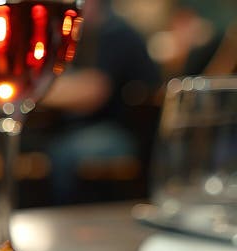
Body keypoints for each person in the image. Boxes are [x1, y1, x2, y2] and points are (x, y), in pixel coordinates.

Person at [33, 0, 161, 204]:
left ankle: (66, 219)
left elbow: (93, 92)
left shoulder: (116, 33)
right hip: (85, 128)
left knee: (62, 154)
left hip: (124, 132)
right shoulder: (81, 34)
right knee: (36, 146)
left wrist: (31, 91)